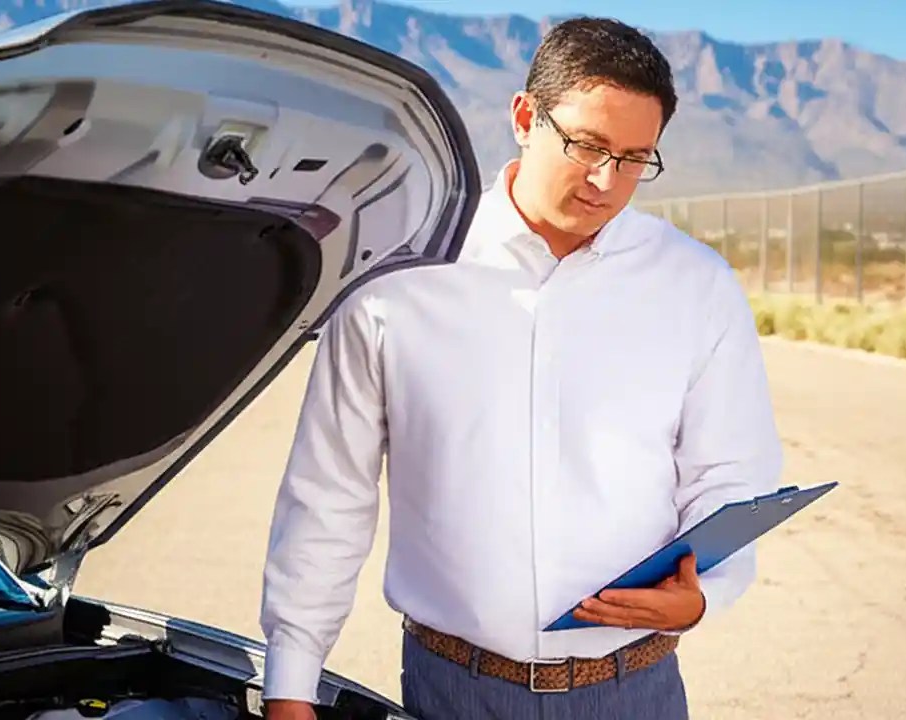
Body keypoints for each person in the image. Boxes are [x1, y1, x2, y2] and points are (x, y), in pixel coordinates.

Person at [258, 15, 783, 720]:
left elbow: (729, 473)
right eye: (587, 145)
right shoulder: (397, 279)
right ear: (522, 117)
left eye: (634, 157)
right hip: (452, 690)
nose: (606, 180)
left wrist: (703, 593)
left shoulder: (698, 285)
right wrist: (290, 682)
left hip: (638, 690)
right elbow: (329, 495)